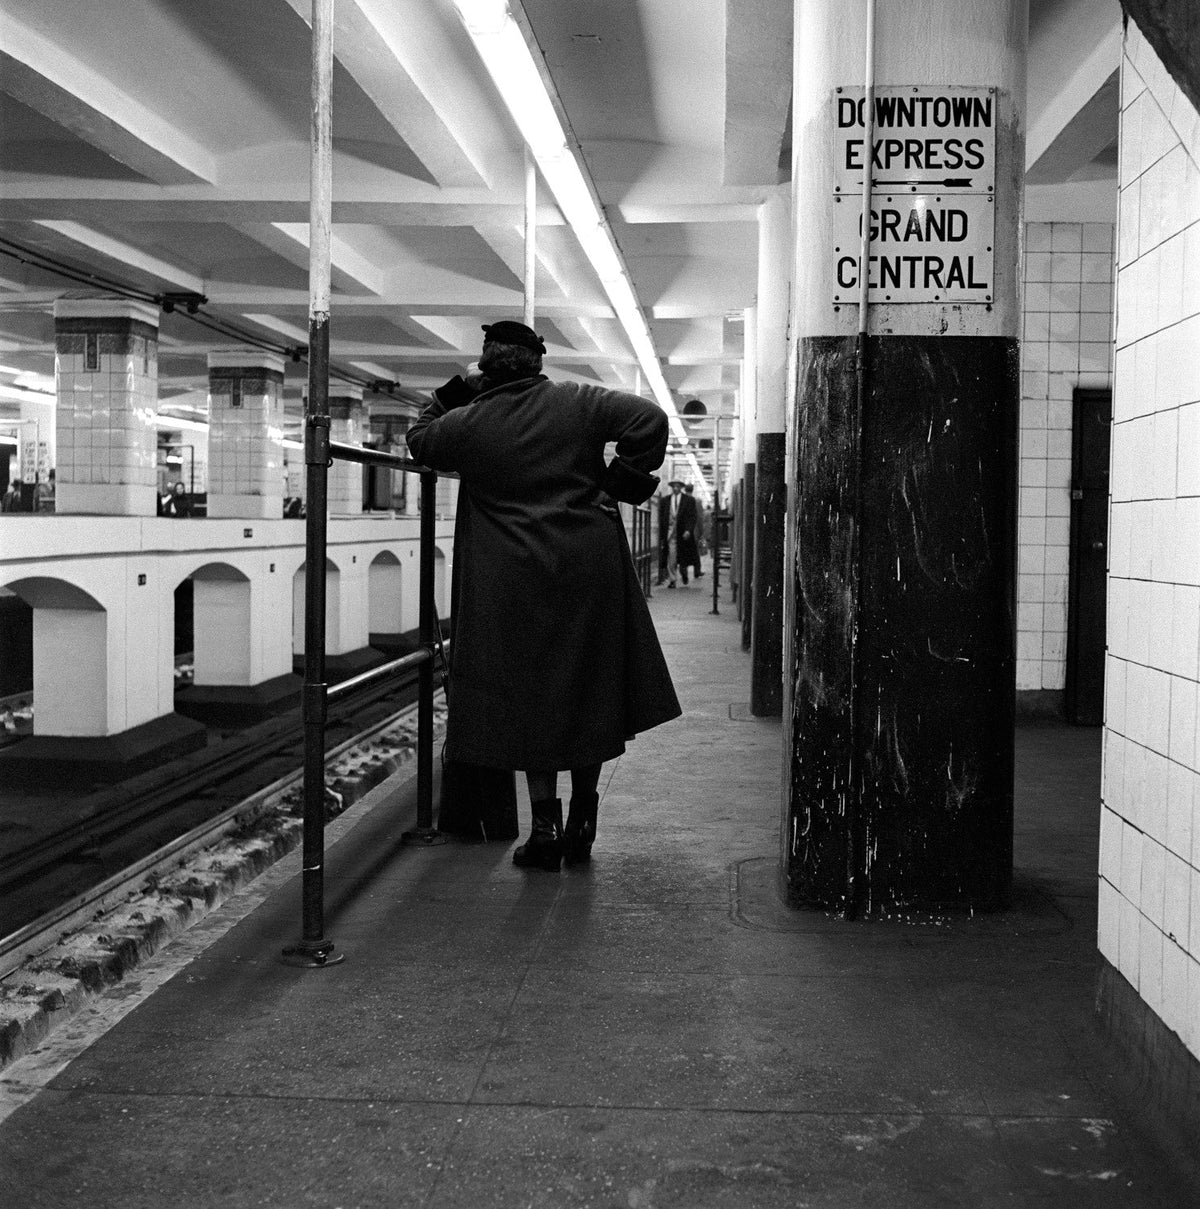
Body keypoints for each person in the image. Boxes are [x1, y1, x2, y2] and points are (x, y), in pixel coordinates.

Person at [406, 319, 682, 871]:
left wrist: (457, 388)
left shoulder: (469, 422)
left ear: (486, 370)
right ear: (538, 363)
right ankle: (583, 820)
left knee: (532, 699)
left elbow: (419, 439)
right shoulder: (577, 401)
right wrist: (617, 485)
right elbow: (648, 419)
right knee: (587, 690)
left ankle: (544, 830)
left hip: (512, 578)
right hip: (587, 567)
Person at [658, 479, 698, 586]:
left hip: (683, 533)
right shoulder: (665, 500)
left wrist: (688, 530)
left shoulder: (689, 500)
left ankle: (683, 572)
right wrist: (662, 535)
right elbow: (661, 518)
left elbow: (692, 517)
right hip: (670, 534)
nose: (675, 488)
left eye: (678, 486)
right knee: (671, 556)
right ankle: (672, 579)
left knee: (683, 556)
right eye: (674, 486)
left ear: (681, 488)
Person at [683, 483, 704, 579]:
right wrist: (701, 532)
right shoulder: (697, 501)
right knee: (695, 552)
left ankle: (684, 571)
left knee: (683, 551)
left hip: (682, 531)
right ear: (692, 490)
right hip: (694, 531)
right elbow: (699, 517)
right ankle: (697, 571)